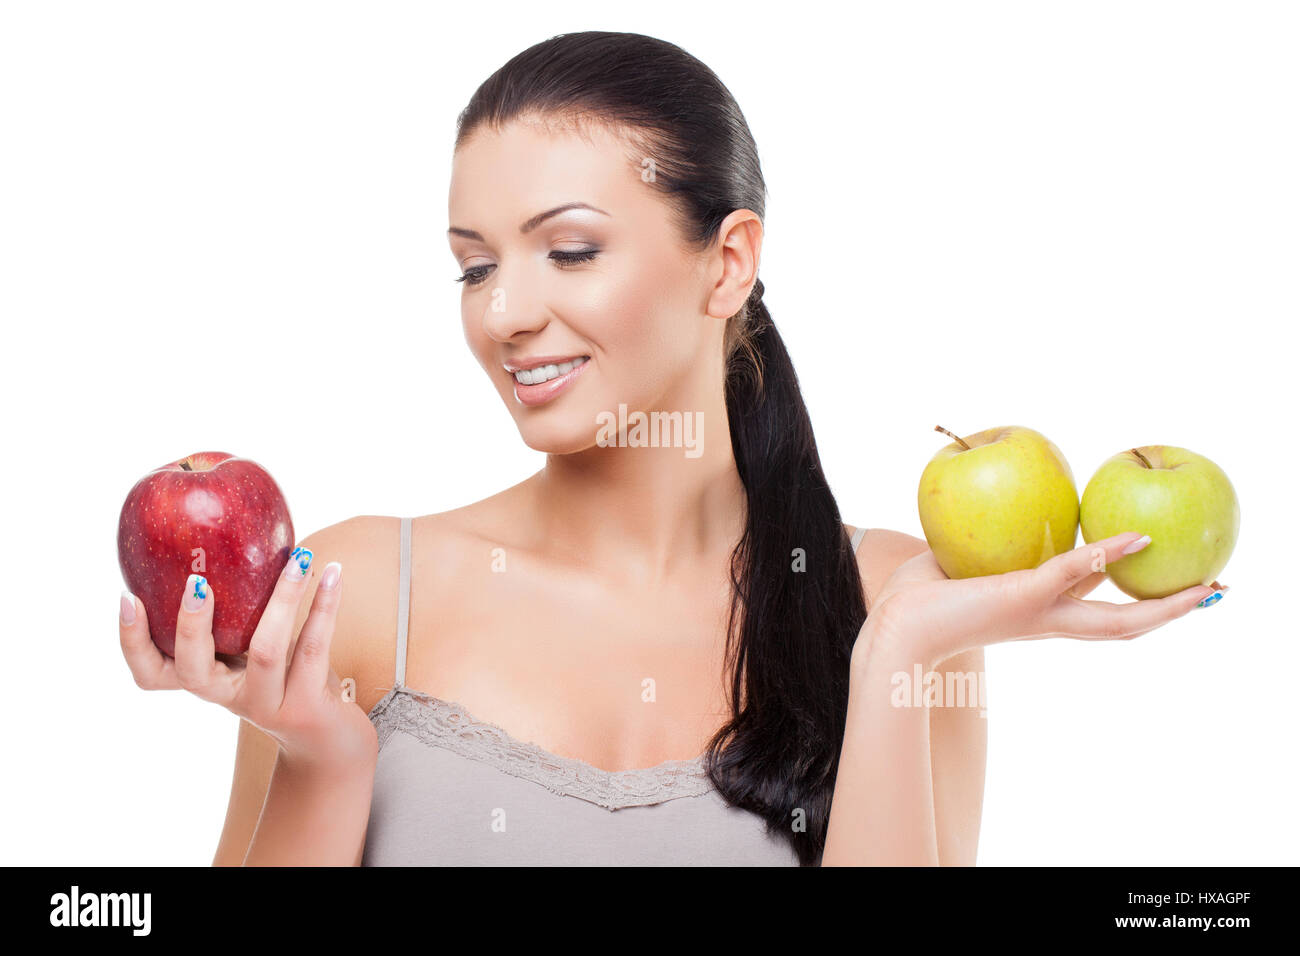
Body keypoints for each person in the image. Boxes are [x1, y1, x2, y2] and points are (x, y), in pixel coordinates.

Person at [118, 31, 1224, 866]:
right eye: (474, 265)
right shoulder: (351, 592)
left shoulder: (898, 599)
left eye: (569, 248)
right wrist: (324, 757)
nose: (503, 312)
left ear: (728, 262)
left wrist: (891, 663)